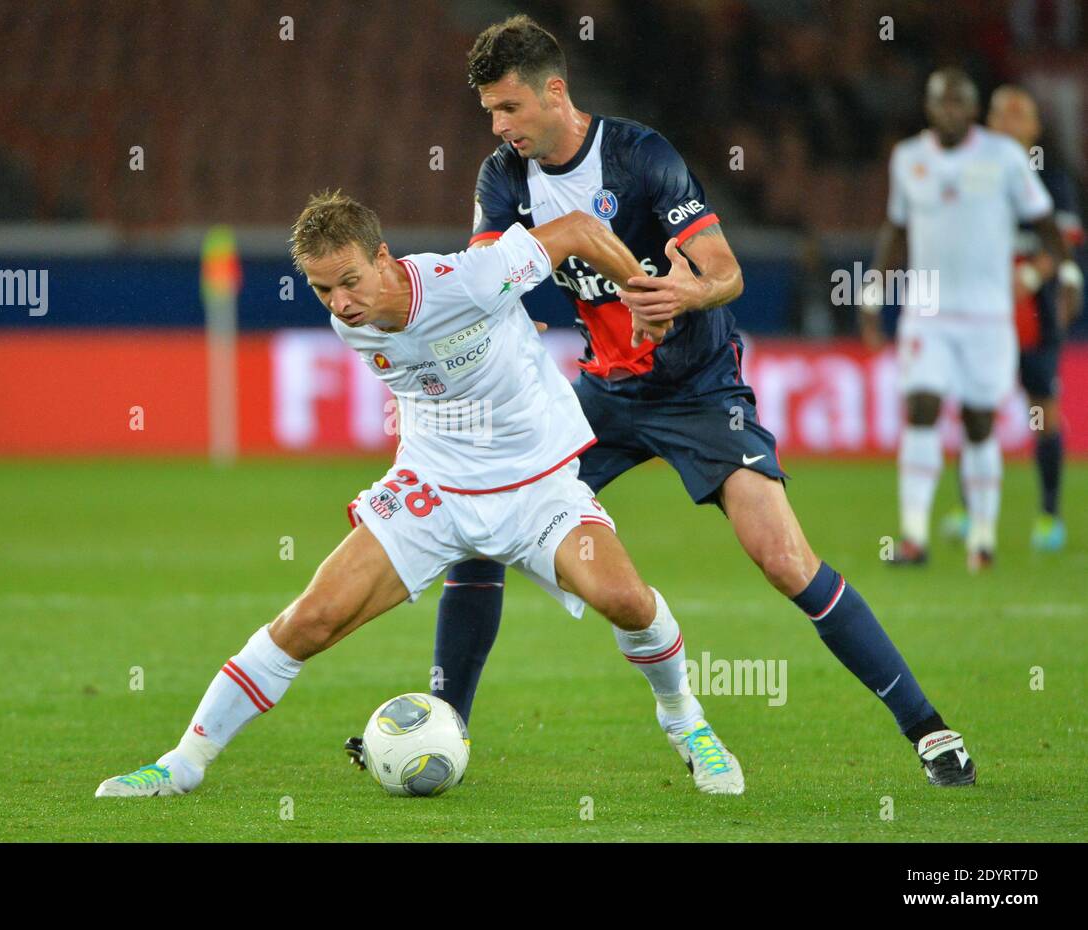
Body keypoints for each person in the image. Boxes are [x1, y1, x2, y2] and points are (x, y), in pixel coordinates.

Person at [348, 15, 975, 788]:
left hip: (699, 391)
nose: (498, 126)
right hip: (602, 397)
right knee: (479, 537)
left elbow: (726, 271)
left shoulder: (642, 158)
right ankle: (450, 727)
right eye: (489, 113)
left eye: (508, 108)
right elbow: (486, 286)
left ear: (554, 92)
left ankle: (928, 730)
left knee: (784, 560)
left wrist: (688, 292)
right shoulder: (503, 181)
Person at [96, 189, 745, 797]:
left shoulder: (469, 277)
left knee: (625, 599)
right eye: (323, 289)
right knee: (310, 618)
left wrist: (640, 295)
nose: (342, 303)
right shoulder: (353, 323)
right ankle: (181, 763)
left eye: (350, 280)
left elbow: (577, 230)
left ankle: (685, 719)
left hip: (534, 485)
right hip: (433, 489)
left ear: (384, 258)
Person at [862, 70, 1076, 571]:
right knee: (922, 407)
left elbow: (1047, 225)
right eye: (942, 103)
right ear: (930, 108)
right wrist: (872, 298)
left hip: (988, 315)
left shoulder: (1004, 158)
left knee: (980, 423)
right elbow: (895, 233)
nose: (951, 112)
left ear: (972, 110)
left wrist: (1066, 275)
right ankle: (913, 534)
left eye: (961, 104)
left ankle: (982, 536)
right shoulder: (909, 158)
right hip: (928, 311)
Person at [940, 86, 1084, 552]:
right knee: (975, 407)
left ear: (1035, 129)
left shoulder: (1051, 179)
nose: (1008, 122)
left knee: (1043, 410)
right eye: (1000, 113)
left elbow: (1063, 241)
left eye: (1018, 115)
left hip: (1032, 315)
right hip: (982, 312)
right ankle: (967, 506)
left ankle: (1048, 514)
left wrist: (1033, 275)